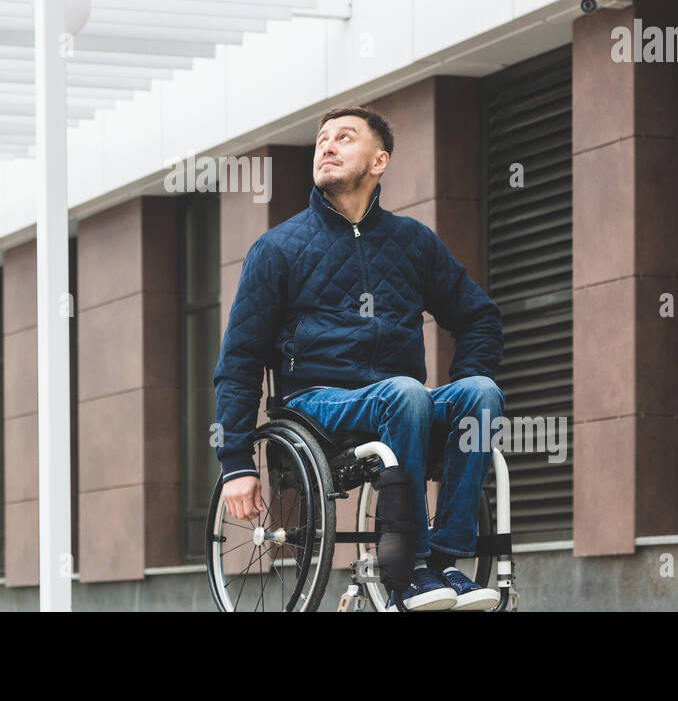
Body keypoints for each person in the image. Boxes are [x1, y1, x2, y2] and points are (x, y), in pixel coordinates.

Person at [212, 106, 505, 611]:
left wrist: (458, 391)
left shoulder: (413, 242)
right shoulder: (277, 248)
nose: (326, 147)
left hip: (399, 402)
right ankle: (409, 569)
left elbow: (479, 318)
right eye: (321, 140)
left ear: (378, 161)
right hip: (315, 405)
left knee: (480, 393)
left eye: (344, 138)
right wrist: (235, 461)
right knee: (406, 393)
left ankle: (448, 560)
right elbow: (240, 358)